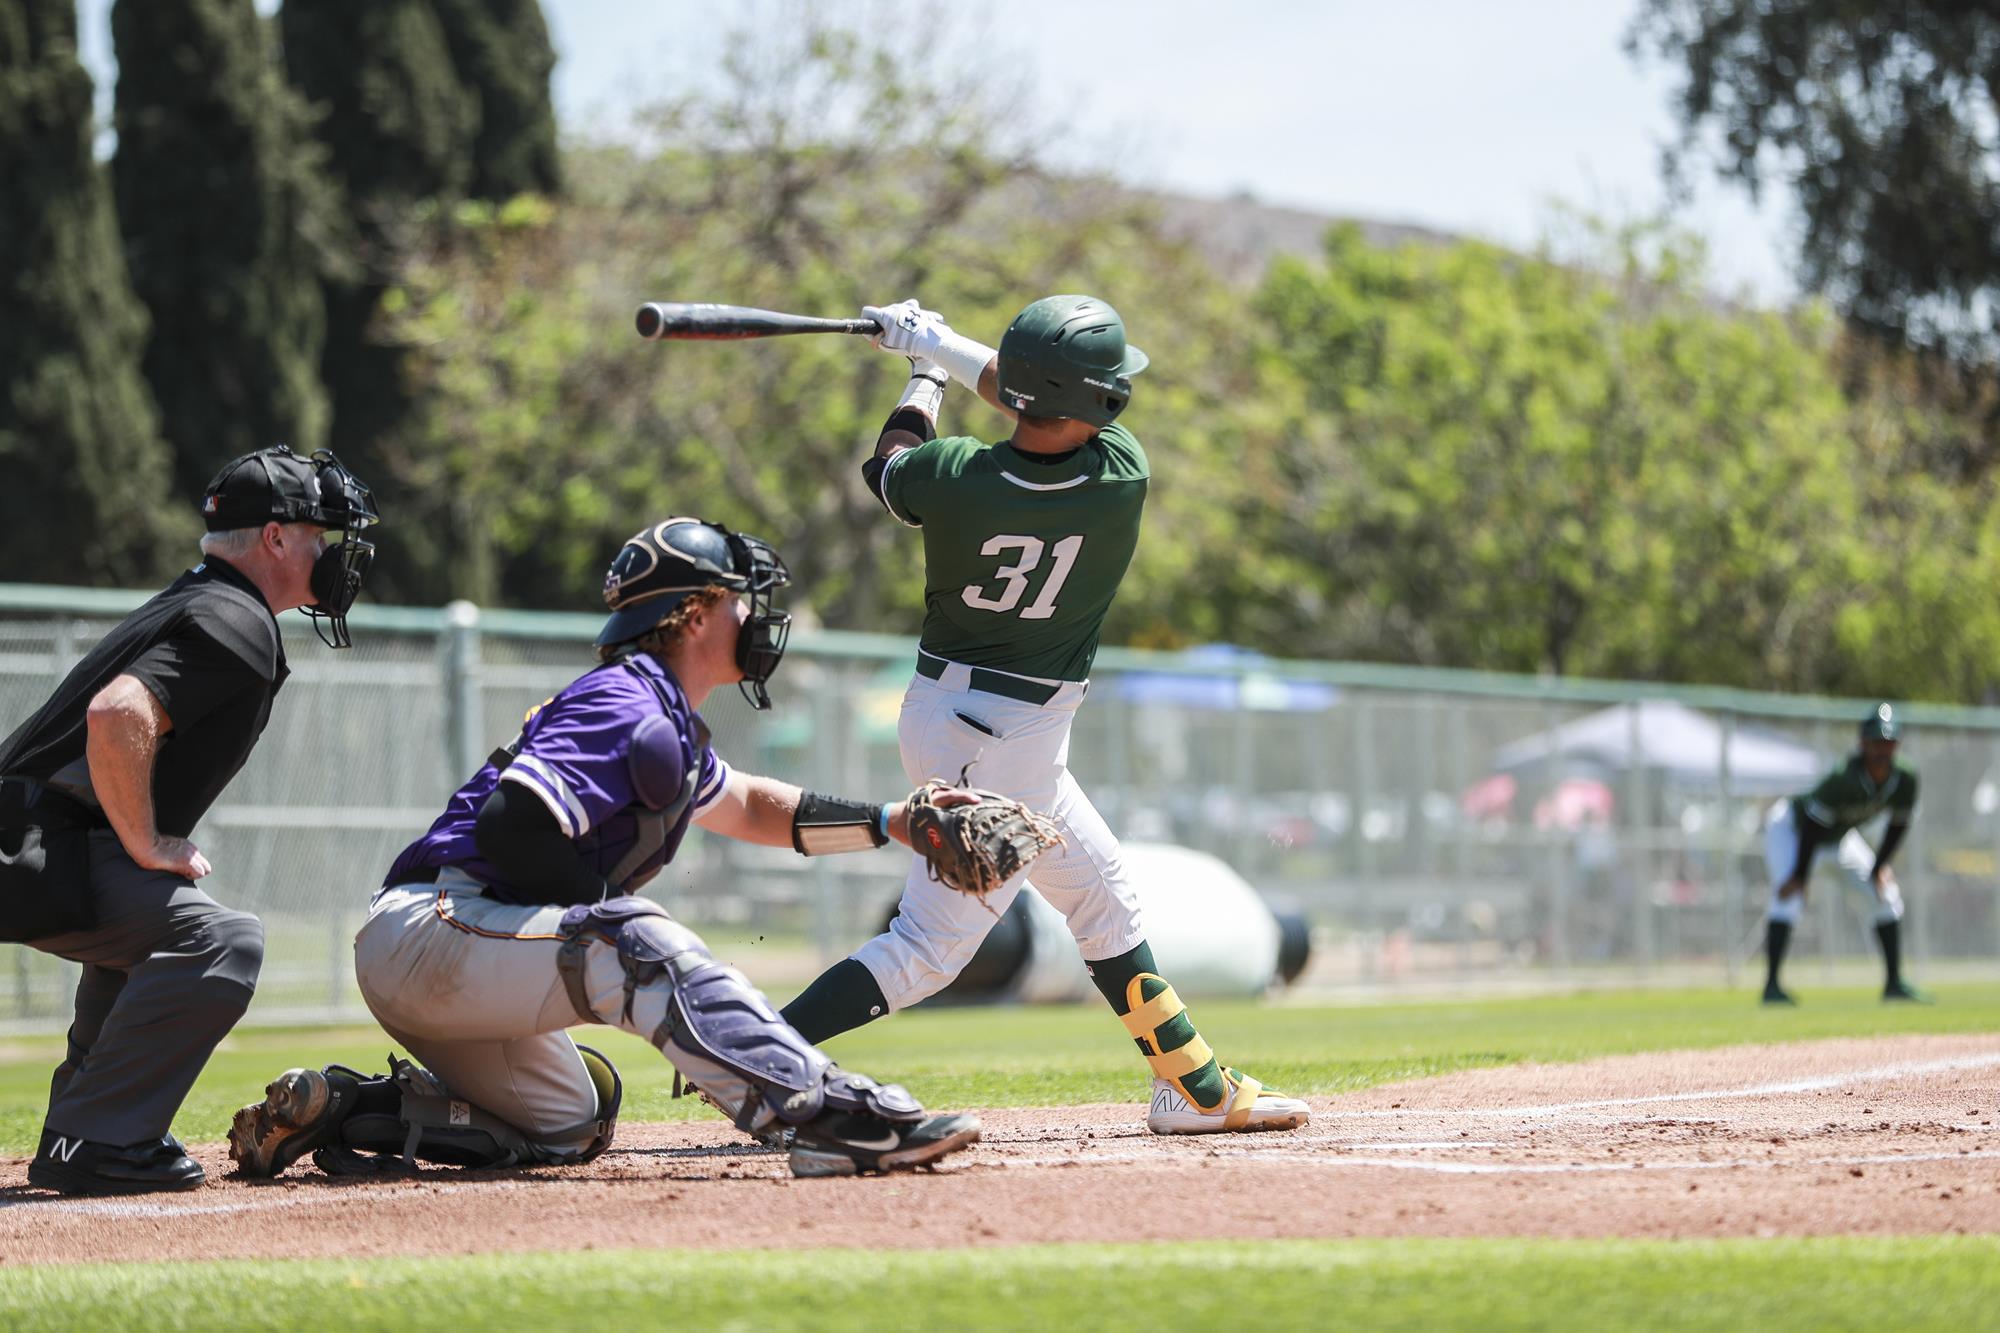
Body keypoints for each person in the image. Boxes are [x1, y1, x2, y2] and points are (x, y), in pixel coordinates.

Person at [228, 518, 984, 1181]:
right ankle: (829, 1114)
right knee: (635, 941)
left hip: (459, 955)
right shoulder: (624, 698)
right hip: (434, 923)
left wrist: (895, 820)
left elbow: (753, 804)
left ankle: (346, 1104)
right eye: (739, 597)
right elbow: (510, 824)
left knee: (573, 1120)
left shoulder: (658, 712)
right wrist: (607, 922)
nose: (755, 615)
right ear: (694, 614)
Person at [776, 294, 1310, 1135]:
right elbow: (1029, 393)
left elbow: (889, 467)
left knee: (1105, 900)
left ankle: (1193, 1084)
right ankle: (754, 1053)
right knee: (928, 948)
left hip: (956, 719)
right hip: (1009, 744)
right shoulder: (1120, 474)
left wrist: (921, 375)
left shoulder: (954, 474)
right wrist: (940, 344)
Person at [0, 446, 380, 1195]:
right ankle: (99, 1138)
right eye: (319, 535)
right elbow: (117, 714)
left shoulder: (205, 598)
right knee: (220, 938)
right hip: (33, 845)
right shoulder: (236, 617)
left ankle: (83, 1127)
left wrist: (136, 848)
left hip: (34, 837)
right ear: (275, 538)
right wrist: (144, 838)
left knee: (161, 924)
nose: (331, 553)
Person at [1760, 703, 1926, 1005]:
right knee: (1788, 898)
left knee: (1885, 894)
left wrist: (1879, 866)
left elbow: (1898, 825)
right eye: (1877, 742)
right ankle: (1771, 987)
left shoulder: (1905, 778)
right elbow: (1811, 826)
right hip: (1792, 831)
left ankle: (1894, 984)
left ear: (1897, 745)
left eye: (1888, 743)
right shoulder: (1843, 778)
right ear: (1863, 743)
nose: (1882, 750)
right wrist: (1800, 874)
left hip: (1838, 840)